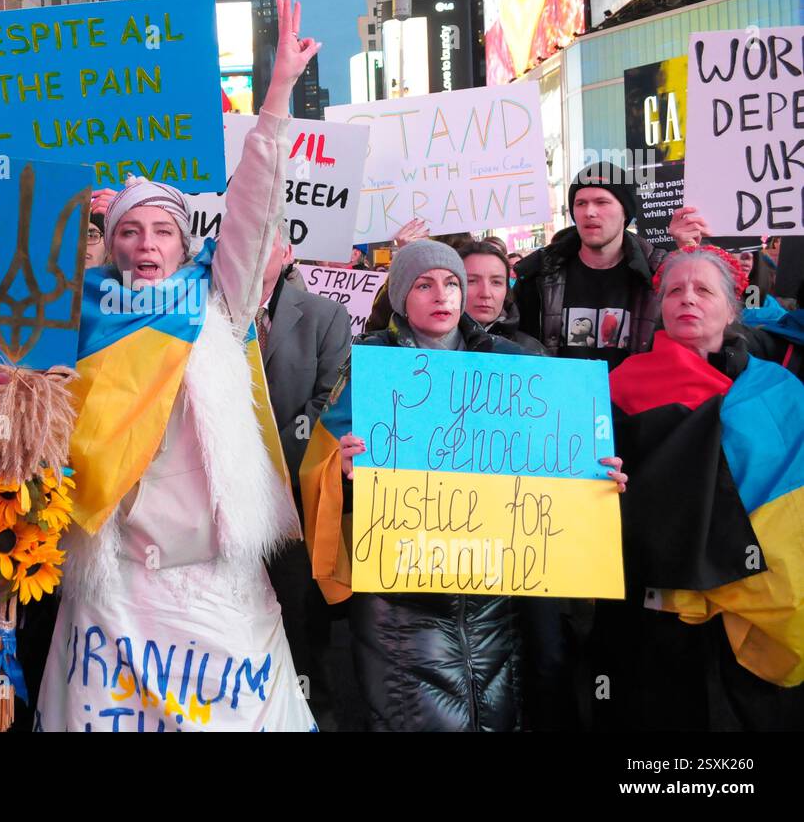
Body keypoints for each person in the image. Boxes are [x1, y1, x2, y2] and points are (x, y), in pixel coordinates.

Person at [35, 0, 318, 732]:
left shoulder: (216, 300)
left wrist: (277, 96)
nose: (148, 243)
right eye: (130, 230)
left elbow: (255, 206)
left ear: (188, 243)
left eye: (164, 228)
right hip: (112, 580)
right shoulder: (70, 313)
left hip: (215, 579)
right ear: (109, 241)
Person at [302, 240, 627, 731]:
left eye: (452, 283)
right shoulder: (369, 366)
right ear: (400, 299)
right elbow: (319, 473)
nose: (443, 295)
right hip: (402, 598)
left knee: (496, 714)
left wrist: (594, 474)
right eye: (424, 285)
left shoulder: (509, 361)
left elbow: (549, 457)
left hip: (494, 594)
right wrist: (341, 470)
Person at [599, 245, 804, 729]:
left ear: (733, 307)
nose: (687, 299)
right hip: (661, 605)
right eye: (674, 290)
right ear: (661, 307)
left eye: (703, 289)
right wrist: (605, 479)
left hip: (761, 593)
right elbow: (592, 494)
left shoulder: (779, 388)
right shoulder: (621, 387)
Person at [254, 221, 352, 730]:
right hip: (205, 504)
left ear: (286, 250)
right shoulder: (196, 314)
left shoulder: (325, 317)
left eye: (262, 237)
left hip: (290, 505)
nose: (248, 246)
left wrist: (258, 461)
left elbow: (325, 408)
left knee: (299, 631)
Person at [513, 163, 668, 367]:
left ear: (625, 213)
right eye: (581, 203)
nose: (590, 212)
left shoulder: (659, 274)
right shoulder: (538, 275)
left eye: (602, 202)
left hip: (631, 397)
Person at [461, 239, 546, 354]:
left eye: (496, 282)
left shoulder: (531, 351)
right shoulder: (431, 346)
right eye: (471, 281)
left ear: (506, 289)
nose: (486, 293)